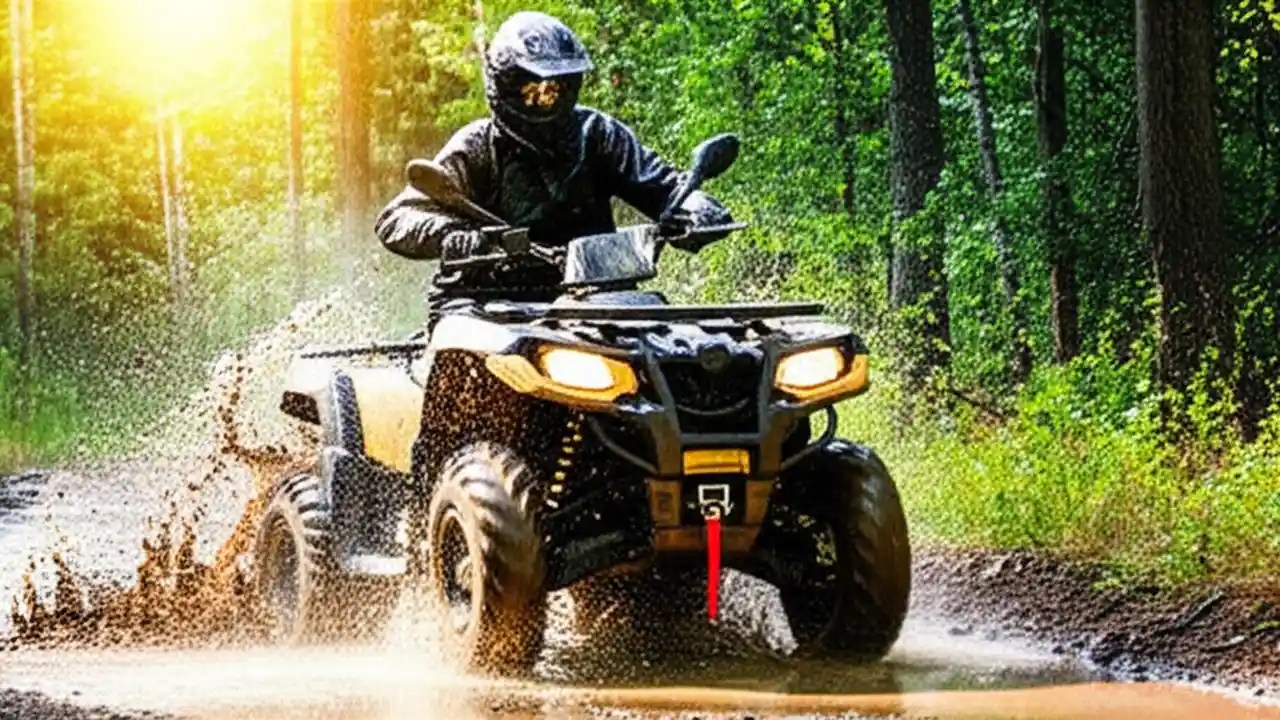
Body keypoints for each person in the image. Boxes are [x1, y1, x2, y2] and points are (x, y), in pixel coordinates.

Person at [374, 10, 734, 306]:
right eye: (533, 90)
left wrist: (697, 211)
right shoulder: (479, 145)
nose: (547, 100)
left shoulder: (597, 134)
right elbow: (396, 219)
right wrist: (453, 236)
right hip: (487, 304)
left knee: (682, 355)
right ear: (505, 85)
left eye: (557, 88)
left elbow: (667, 187)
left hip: (596, 300)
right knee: (467, 364)